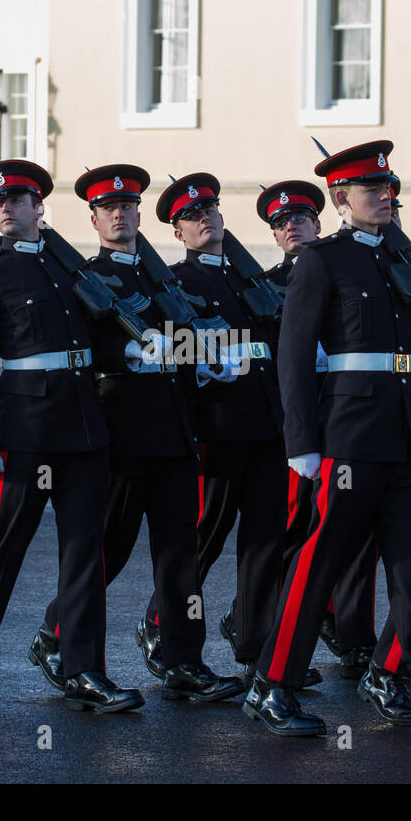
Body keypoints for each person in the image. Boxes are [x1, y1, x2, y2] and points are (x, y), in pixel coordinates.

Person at [246, 139, 411, 742]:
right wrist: (301, 440)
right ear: (340, 198)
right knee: (319, 561)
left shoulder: (402, 260)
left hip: (407, 438)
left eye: (389, 188)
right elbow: (295, 354)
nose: (385, 196)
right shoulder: (321, 261)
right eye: (371, 189)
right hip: (348, 436)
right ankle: (272, 684)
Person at [30, 163, 243, 703]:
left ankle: (184, 659)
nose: (120, 214)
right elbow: (77, 342)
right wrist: (123, 350)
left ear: (140, 215)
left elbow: (183, 342)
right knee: (108, 550)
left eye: (127, 206)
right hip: (121, 432)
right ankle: (59, 637)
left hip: (172, 430)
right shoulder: (88, 279)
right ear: (95, 219)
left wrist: (204, 362)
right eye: (109, 208)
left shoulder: (161, 278)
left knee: (179, 558)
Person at [0, 158, 142, 711]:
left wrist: (126, 351)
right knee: (4, 544)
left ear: (38, 208)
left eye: (16, 201)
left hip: (82, 427)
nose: (5, 209)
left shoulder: (69, 267)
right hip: (25, 430)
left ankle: (84, 669)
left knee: (85, 553)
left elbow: (92, 338)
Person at [143, 172, 293, 686]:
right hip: (215, 430)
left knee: (264, 543)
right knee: (202, 539)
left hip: (267, 426)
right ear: (178, 233)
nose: (203, 218)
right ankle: (163, 624)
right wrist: (201, 363)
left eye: (208, 209)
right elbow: (161, 347)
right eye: (190, 216)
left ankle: (255, 645)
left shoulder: (250, 280)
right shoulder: (174, 284)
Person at [262, 180, 379, 678]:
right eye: (281, 223)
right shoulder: (264, 284)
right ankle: (268, 628)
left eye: (301, 218)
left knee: (358, 536)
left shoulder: (349, 263)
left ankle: (353, 634)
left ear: (319, 220)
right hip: (301, 424)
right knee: (296, 534)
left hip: (352, 418)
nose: (293, 227)